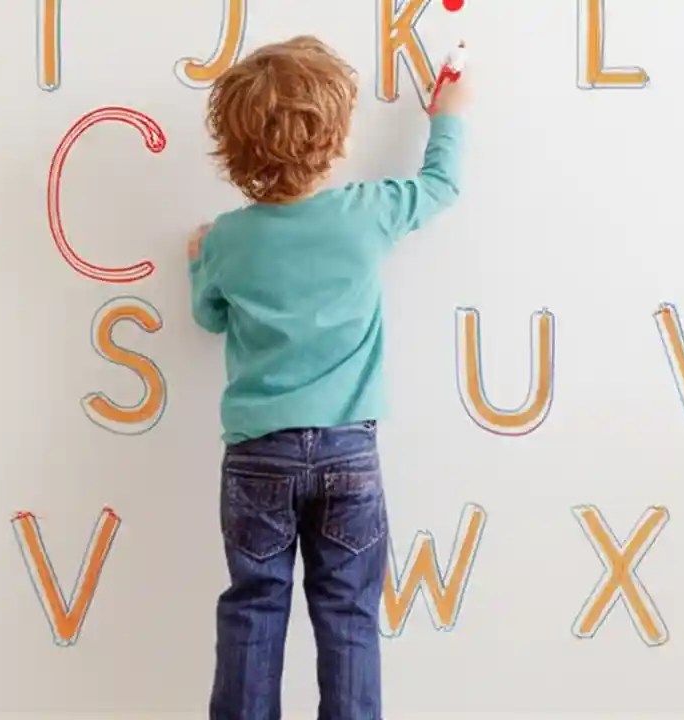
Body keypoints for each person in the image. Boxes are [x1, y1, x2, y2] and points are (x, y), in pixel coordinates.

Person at [187, 35, 468, 720]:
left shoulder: (229, 238)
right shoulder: (366, 213)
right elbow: (442, 186)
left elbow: (209, 316)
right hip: (349, 453)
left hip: (257, 457)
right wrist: (448, 115)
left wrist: (200, 258)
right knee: (347, 616)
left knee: (254, 607)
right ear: (336, 136)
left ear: (235, 148)